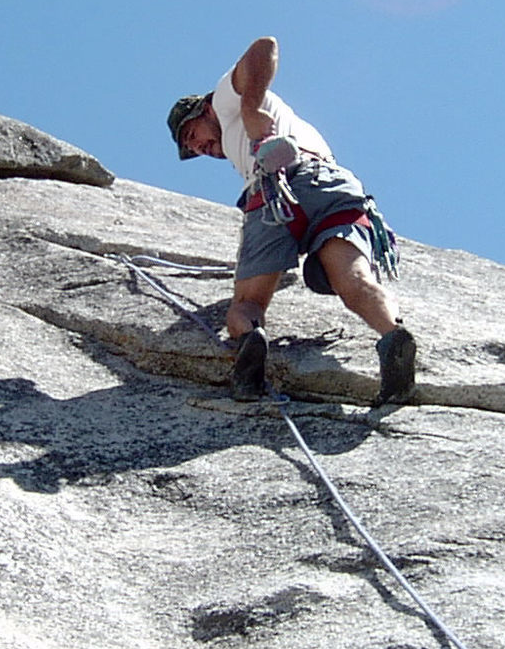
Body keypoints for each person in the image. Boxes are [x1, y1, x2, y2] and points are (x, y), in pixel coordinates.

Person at [167, 36, 416, 405]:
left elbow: (263, 46)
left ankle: (250, 345)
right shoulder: (286, 126)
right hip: (332, 184)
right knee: (354, 280)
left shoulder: (225, 101)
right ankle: (392, 335)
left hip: (273, 191)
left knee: (247, 303)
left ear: (203, 110)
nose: (198, 147)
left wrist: (250, 108)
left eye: (192, 135)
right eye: (192, 149)